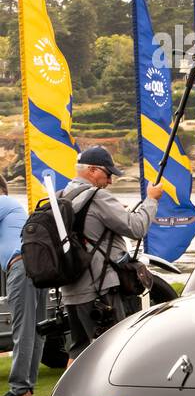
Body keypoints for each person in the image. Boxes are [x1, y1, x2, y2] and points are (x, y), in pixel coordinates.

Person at [58, 147, 163, 361]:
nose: (110, 181)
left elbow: (87, 227)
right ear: (93, 170)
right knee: (114, 351)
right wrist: (151, 200)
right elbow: (136, 228)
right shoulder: (97, 197)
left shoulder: (61, 197)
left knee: (78, 351)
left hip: (70, 289)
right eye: (108, 174)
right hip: (99, 288)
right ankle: (113, 394)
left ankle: (66, 395)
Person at [0, 177, 44, 396]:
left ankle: (18, 390)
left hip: (22, 266)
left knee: (24, 328)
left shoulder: (3, 201)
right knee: (36, 328)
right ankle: (26, 389)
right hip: (37, 266)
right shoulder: (13, 210)